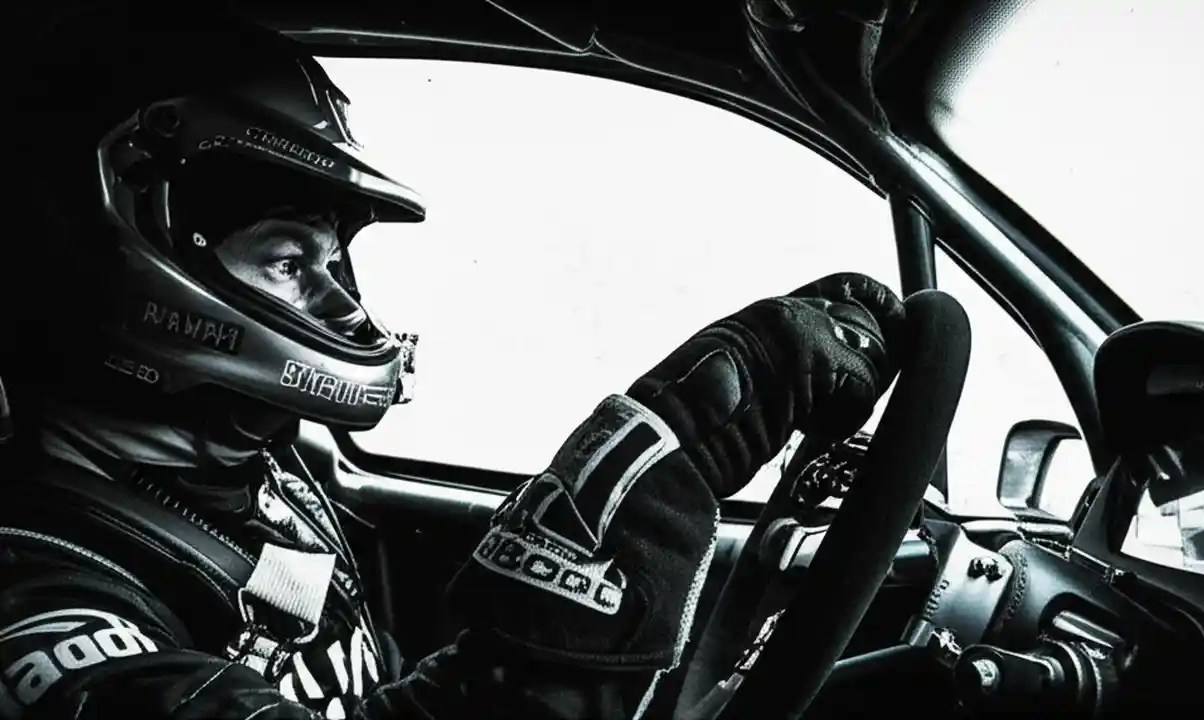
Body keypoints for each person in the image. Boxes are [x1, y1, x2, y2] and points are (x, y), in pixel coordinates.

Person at [0, 6, 907, 719]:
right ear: (107, 258)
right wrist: (656, 463)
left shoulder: (273, 477)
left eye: (333, 261)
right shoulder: (43, 604)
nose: (342, 306)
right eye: (287, 260)